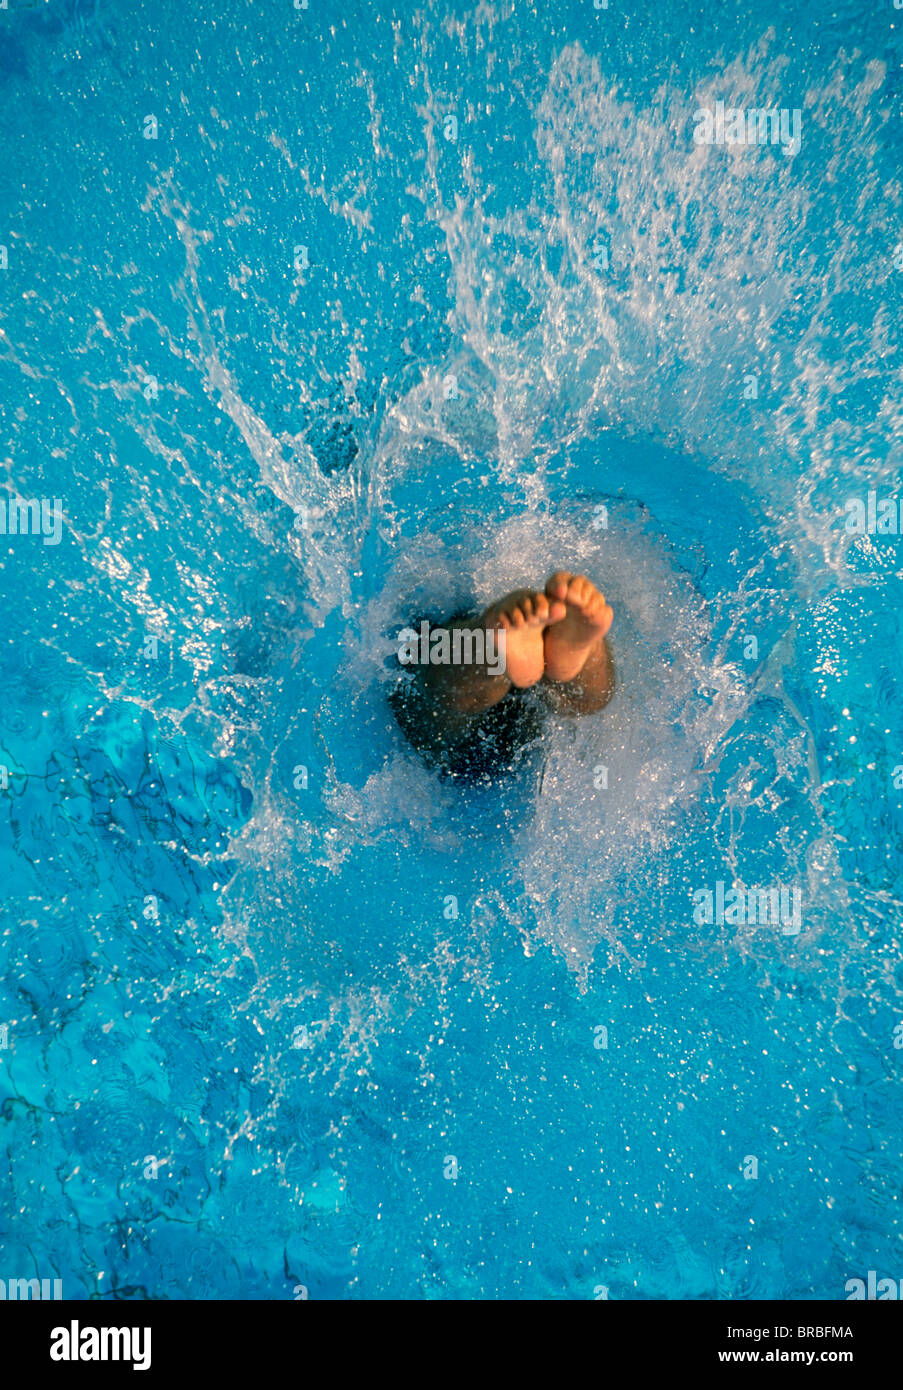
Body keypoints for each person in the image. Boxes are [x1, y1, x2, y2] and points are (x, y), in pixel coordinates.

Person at [390, 571, 614, 783]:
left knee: (431, 707)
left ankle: (490, 646)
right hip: (533, 731)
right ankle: (582, 655)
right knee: (585, 701)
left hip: (457, 738)